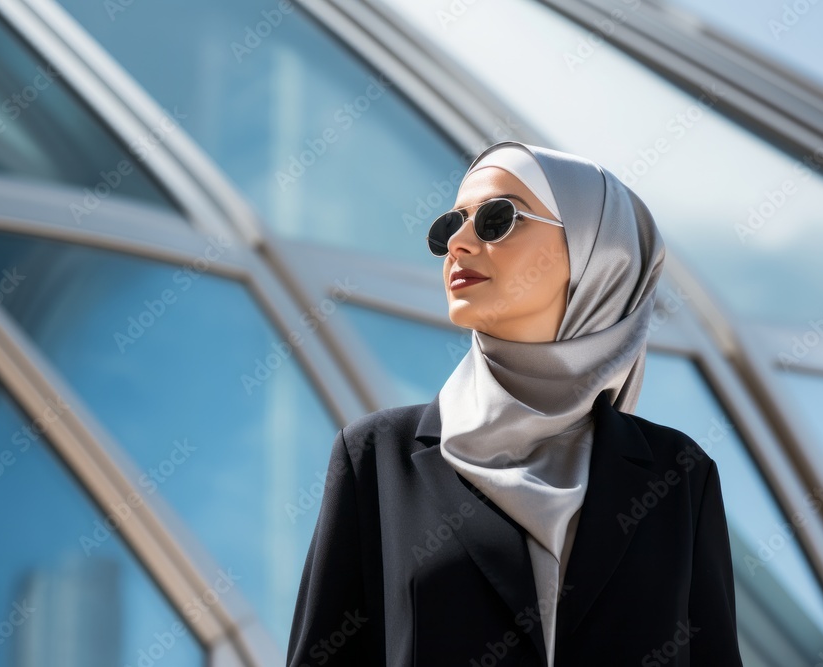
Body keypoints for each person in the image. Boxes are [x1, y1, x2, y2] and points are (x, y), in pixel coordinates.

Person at [286, 140, 743, 666]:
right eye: (449, 225)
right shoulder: (377, 457)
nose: (457, 243)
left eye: (497, 219)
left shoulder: (678, 475)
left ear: (596, 252)